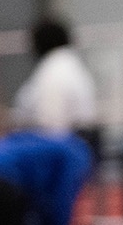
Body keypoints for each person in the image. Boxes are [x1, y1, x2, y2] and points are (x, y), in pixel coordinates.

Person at [12, 18, 98, 146]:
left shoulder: (54, 73)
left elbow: (52, 124)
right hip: (75, 140)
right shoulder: (69, 65)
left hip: (62, 145)